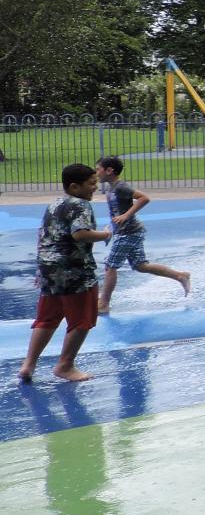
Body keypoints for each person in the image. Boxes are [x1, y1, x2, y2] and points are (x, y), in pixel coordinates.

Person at [19, 164, 110, 383]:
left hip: (48, 267)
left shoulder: (54, 204)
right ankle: (65, 365)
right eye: (91, 184)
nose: (95, 187)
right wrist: (105, 234)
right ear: (74, 187)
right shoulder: (81, 205)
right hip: (74, 270)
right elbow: (80, 234)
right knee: (83, 319)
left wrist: (42, 269)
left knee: (47, 318)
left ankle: (28, 365)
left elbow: (43, 235)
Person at [95, 156, 191, 312]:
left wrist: (126, 215)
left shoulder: (120, 187)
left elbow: (144, 198)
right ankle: (180, 276)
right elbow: (116, 211)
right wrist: (112, 227)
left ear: (109, 171)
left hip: (129, 233)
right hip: (128, 231)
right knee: (140, 265)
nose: (96, 173)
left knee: (110, 266)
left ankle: (104, 304)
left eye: (98, 169)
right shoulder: (111, 188)